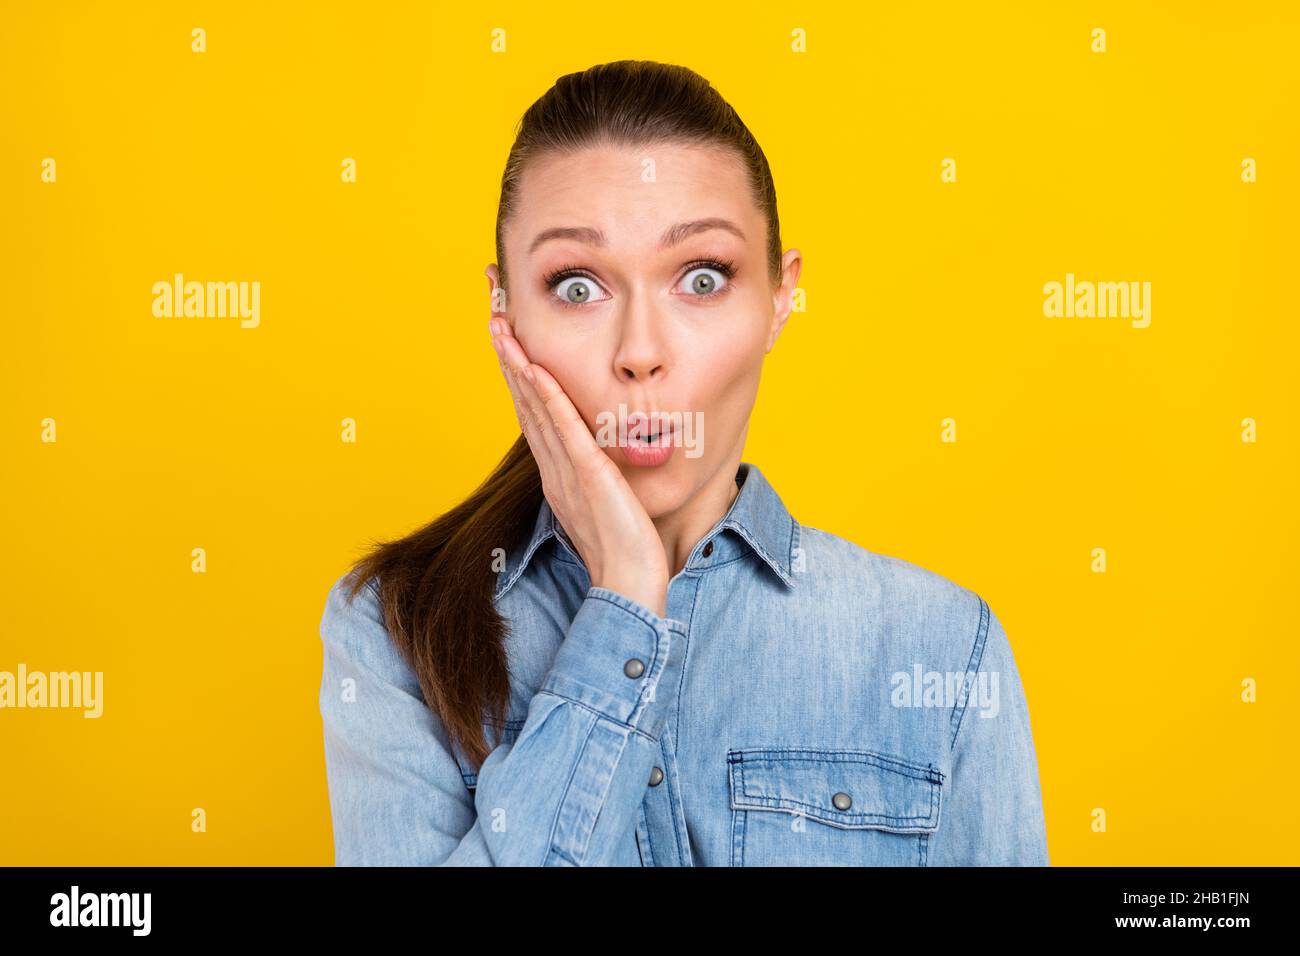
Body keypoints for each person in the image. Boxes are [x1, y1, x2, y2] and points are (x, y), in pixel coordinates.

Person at [318, 59, 1049, 866]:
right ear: (505, 312)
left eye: (702, 278)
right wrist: (625, 599)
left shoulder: (939, 646)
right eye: (575, 286)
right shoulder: (392, 630)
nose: (639, 353)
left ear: (779, 297)